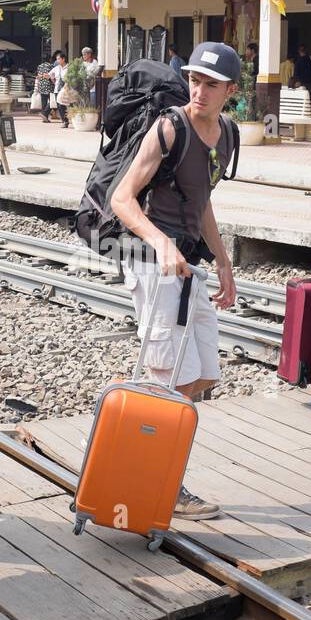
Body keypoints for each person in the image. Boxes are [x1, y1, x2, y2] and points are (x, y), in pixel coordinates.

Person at [109, 41, 243, 522]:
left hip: (188, 267)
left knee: (203, 374)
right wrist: (161, 241)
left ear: (231, 89)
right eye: (194, 80)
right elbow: (122, 198)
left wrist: (224, 260)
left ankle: (135, 445)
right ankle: (160, 480)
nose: (199, 91)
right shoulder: (169, 127)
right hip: (152, 263)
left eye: (211, 83)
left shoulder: (225, 133)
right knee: (170, 378)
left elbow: (201, 199)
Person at [48, 50, 69, 127]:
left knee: (64, 105)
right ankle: (65, 121)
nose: (57, 61)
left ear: (63, 59)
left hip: (65, 90)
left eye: (59, 59)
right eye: (57, 59)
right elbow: (50, 75)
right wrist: (55, 83)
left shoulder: (69, 68)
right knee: (59, 105)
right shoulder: (56, 68)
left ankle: (66, 120)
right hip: (57, 89)